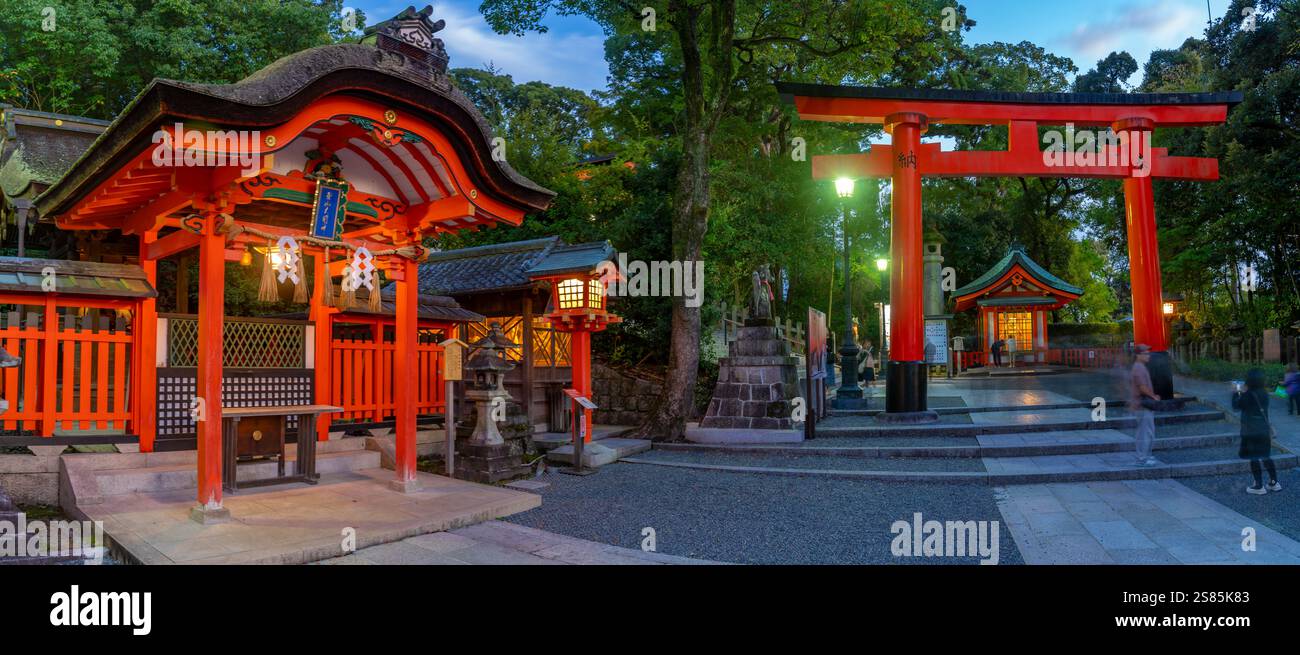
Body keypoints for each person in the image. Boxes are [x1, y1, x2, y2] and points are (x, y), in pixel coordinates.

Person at [1235, 368, 1280, 495]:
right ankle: (1274, 482)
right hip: (1264, 430)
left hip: (1251, 431)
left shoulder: (1247, 395)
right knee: (1266, 456)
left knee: (1254, 457)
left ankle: (1258, 485)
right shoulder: (1264, 393)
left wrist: (1237, 392)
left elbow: (1236, 406)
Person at [1129, 344, 1160, 467]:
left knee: (1147, 432)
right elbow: (1142, 387)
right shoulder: (1139, 368)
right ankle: (1142, 458)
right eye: (1146, 353)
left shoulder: (1139, 366)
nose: (1148, 355)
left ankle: (1145, 456)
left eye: (1148, 353)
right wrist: (1153, 396)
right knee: (1145, 433)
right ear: (1138, 355)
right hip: (1142, 405)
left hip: (1142, 404)